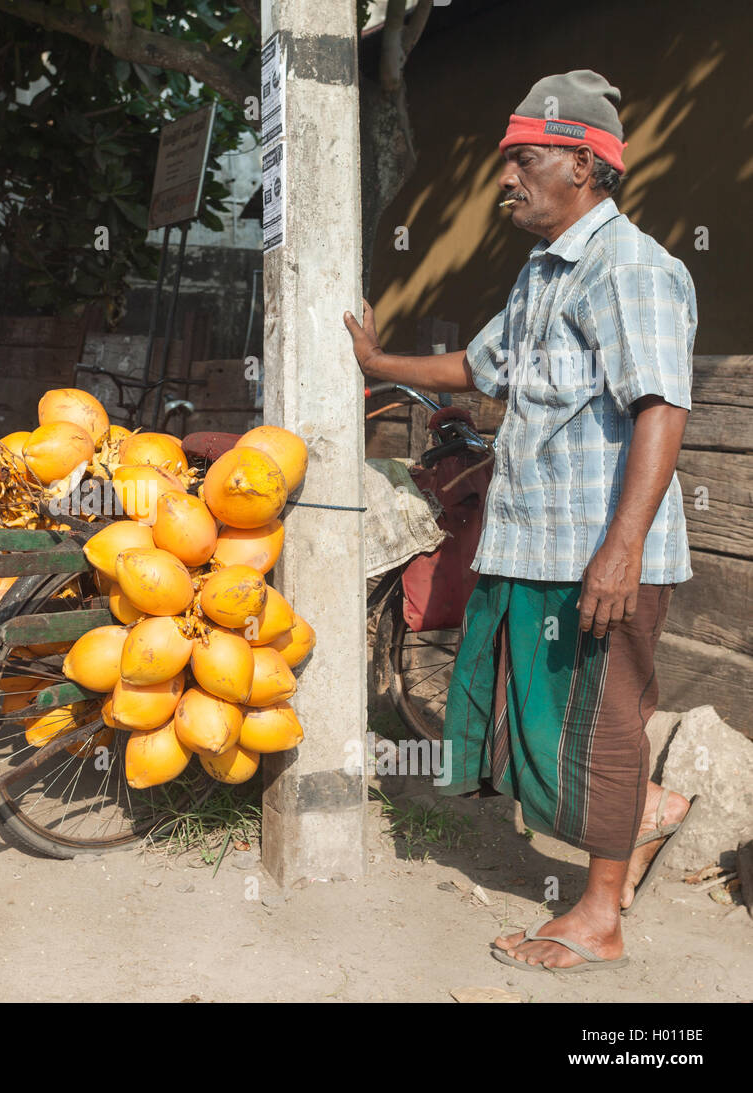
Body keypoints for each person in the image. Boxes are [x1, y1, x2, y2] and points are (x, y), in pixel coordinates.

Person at [344, 71, 697, 971]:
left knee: (603, 727)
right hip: (533, 546)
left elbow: (662, 408)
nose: (506, 178)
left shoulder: (636, 269)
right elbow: (479, 365)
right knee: (539, 724)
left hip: (598, 557)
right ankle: (637, 826)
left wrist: (619, 554)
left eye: (525, 159)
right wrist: (379, 359)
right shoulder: (544, 271)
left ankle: (600, 918)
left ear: (584, 164)